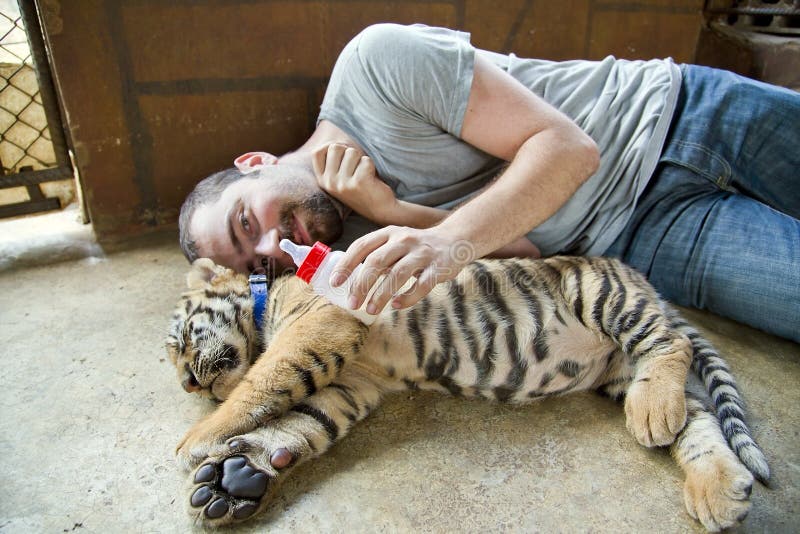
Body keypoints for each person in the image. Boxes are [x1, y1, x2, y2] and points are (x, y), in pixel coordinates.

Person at [179, 23, 800, 343]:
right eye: (254, 264)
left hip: (682, 116)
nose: (267, 247)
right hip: (645, 238)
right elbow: (526, 251)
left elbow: (568, 152)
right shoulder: (354, 248)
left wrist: (436, 242)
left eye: (244, 222)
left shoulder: (373, 65)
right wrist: (391, 210)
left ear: (255, 162)